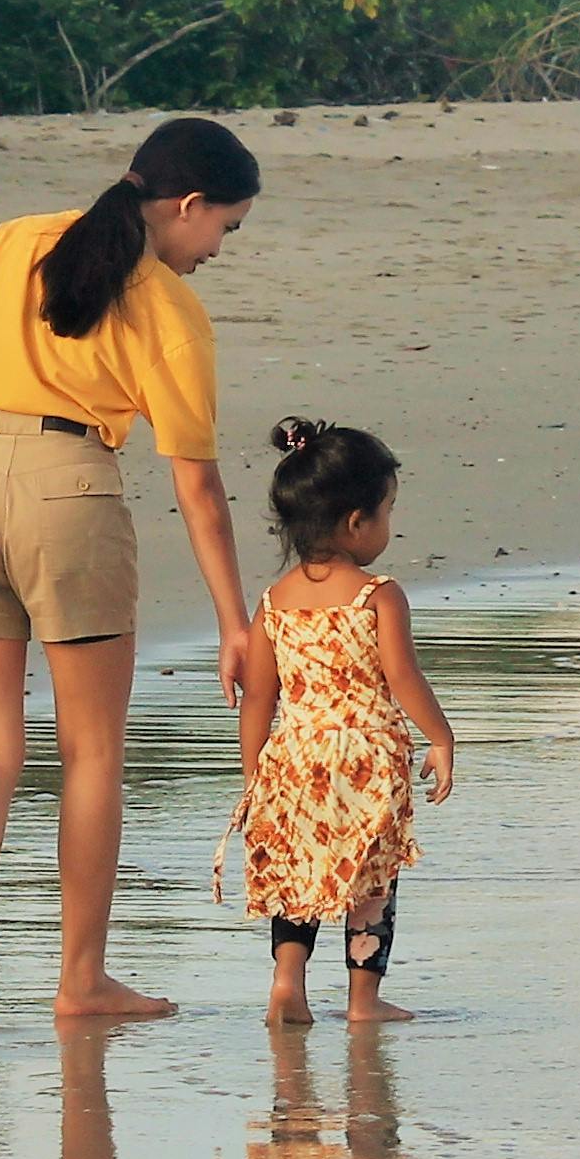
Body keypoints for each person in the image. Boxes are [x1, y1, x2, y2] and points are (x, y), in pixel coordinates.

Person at [0, 115, 264, 1027]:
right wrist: (234, 623)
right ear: (186, 206)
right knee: (92, 752)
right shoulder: (171, 311)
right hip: (69, 494)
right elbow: (200, 486)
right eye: (225, 226)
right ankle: (80, 980)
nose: (219, 248)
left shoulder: (13, 238)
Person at [229, 415, 455, 1029]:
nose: (388, 525)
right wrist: (441, 736)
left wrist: (256, 776)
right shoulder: (377, 594)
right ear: (357, 522)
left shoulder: (274, 600)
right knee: (371, 880)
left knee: (299, 872)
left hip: (295, 758)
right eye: (386, 511)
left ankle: (286, 981)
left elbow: (258, 697)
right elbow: (404, 677)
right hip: (366, 760)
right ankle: (363, 1002)